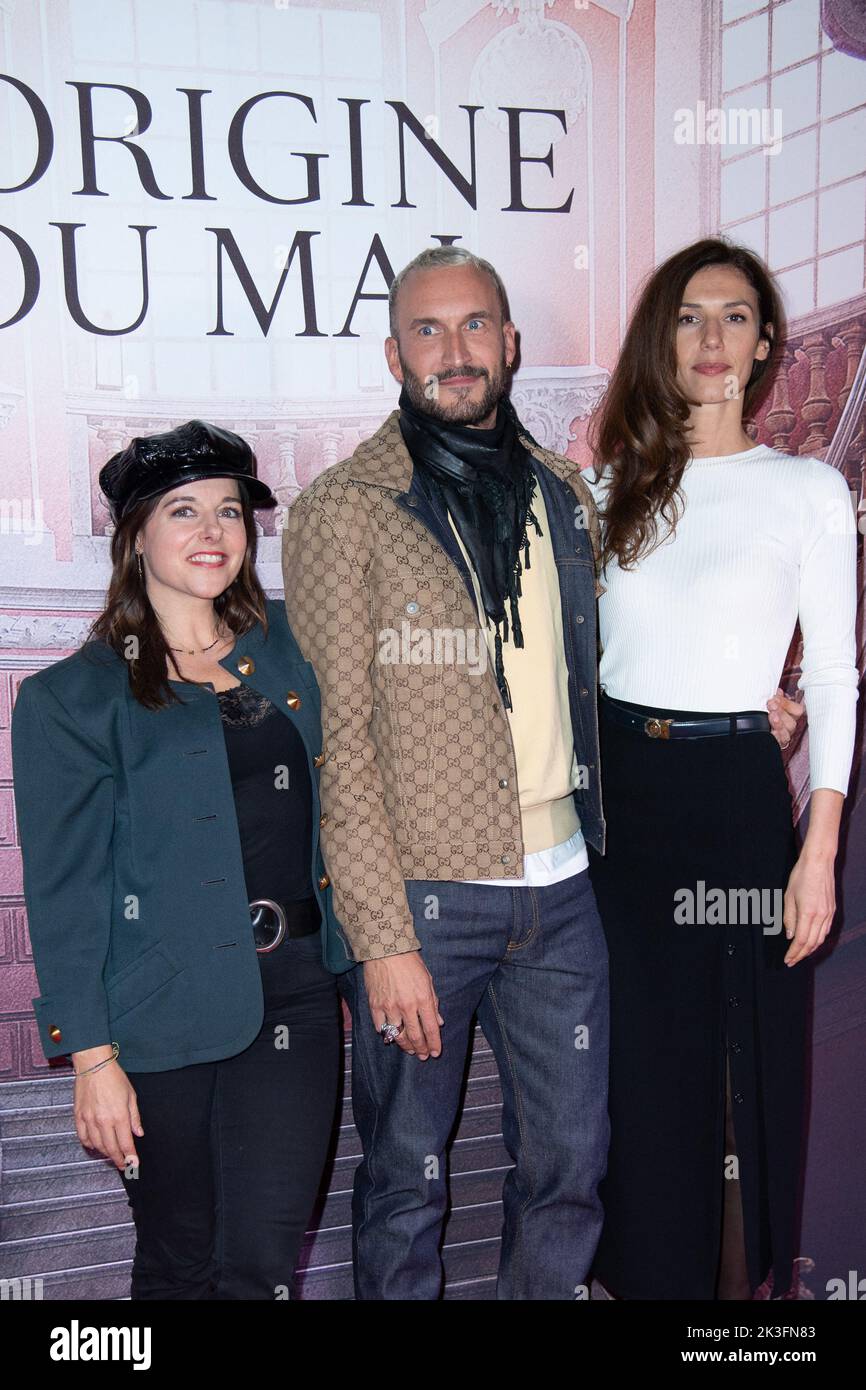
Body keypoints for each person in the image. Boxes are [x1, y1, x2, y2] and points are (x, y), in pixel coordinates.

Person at [282, 245, 611, 1299]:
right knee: (404, 1181)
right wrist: (380, 939)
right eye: (427, 330)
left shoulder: (563, 493)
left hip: (561, 888)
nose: (454, 351)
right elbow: (342, 738)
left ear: (510, 344)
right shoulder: (346, 508)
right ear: (392, 353)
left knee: (568, 1167)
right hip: (423, 896)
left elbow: (600, 666)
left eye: (475, 326)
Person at [11, 420, 353, 1300]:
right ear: (135, 536)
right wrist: (92, 1060)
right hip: (155, 1016)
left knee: (262, 1265)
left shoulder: (291, 642)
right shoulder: (72, 698)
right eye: (183, 511)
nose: (212, 532)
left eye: (230, 512)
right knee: (178, 1262)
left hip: (297, 999)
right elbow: (64, 895)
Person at [582, 238, 858, 1300]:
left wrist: (816, 848)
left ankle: (739, 1316)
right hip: (620, 810)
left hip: (741, 801)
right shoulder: (600, 490)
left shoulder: (805, 492)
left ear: (764, 344)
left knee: (745, 1079)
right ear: (662, 336)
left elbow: (831, 676)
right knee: (638, 1083)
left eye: (734, 316)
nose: (710, 338)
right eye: (688, 316)